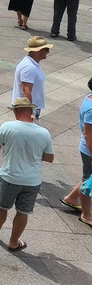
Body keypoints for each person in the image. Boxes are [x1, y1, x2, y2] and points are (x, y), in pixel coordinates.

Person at [0, 97, 54, 252]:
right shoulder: (44, 132)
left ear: (16, 111)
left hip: (9, 176)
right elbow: (49, 158)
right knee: (23, 212)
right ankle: (14, 242)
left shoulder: (7, 127)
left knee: (2, 207)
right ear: (31, 112)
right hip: (32, 181)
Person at [57, 76, 92, 227]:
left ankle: (71, 198)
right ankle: (86, 214)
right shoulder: (91, 107)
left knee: (89, 177)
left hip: (88, 149)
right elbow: (88, 134)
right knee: (88, 182)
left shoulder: (89, 98)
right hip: (89, 149)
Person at [13, 36, 52, 119]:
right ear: (37, 51)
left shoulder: (33, 64)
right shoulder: (29, 67)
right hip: (28, 109)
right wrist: (29, 113)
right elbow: (26, 91)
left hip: (31, 108)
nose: (48, 51)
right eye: (45, 49)